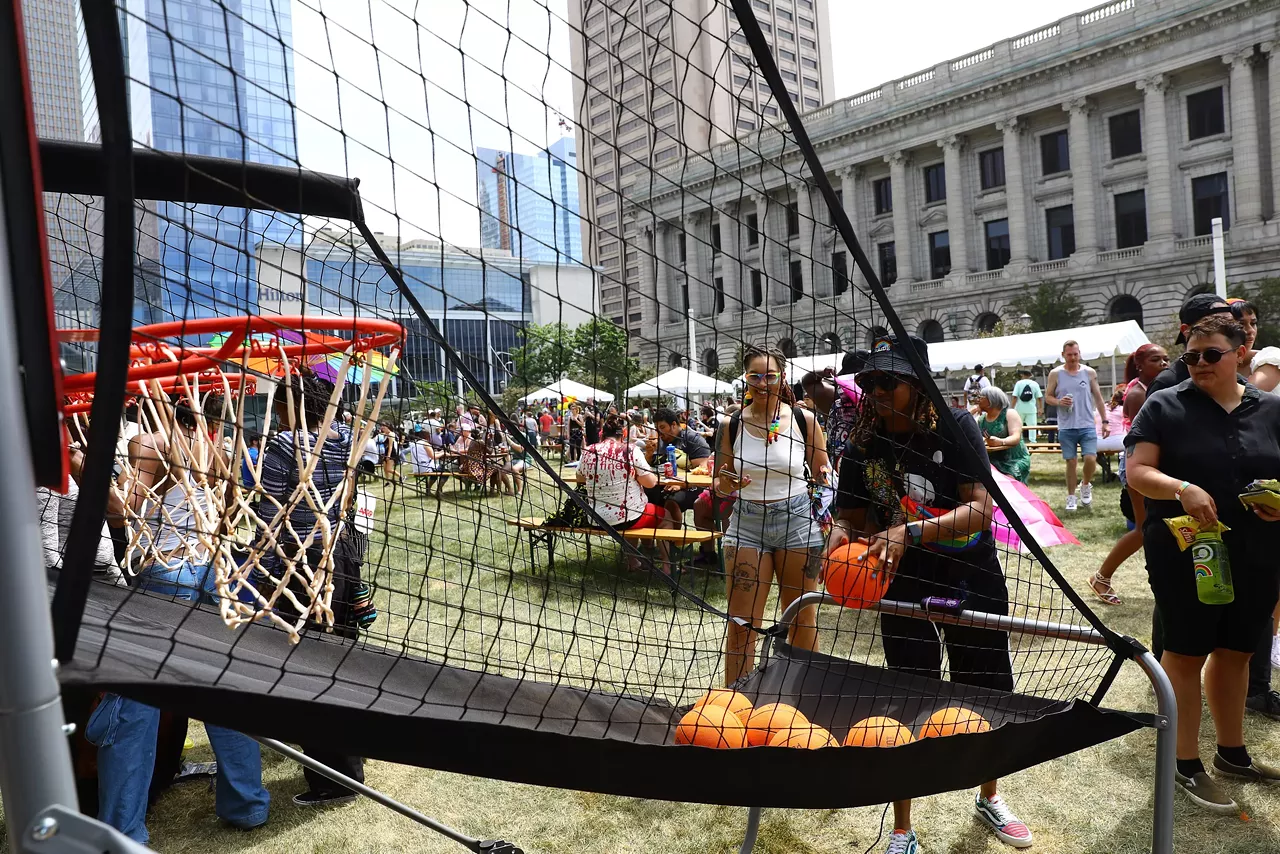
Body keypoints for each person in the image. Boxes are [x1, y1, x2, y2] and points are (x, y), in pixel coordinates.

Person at [829, 334, 1031, 852]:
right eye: (869, 381)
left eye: (888, 381)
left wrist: (910, 531)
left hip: (969, 575)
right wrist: (839, 538)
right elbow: (849, 515)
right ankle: (902, 829)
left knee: (982, 691)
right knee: (906, 698)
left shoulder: (957, 425)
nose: (876, 391)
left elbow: (980, 509)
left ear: (917, 384)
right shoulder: (863, 441)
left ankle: (989, 796)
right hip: (901, 581)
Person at [87, 394, 270, 842]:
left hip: (166, 573)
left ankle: (124, 831)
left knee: (135, 701)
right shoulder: (217, 446)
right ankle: (247, 804)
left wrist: (85, 467)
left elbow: (121, 508)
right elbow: (229, 511)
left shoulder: (150, 442)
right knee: (221, 689)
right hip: (212, 571)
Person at [1126, 313, 1280, 813]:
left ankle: (1232, 754)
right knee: (1186, 652)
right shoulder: (1164, 405)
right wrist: (1181, 489)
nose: (1199, 363)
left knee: (1237, 652)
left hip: (1258, 550)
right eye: (1190, 356)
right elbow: (1137, 471)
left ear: (1241, 353)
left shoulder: (1272, 409)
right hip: (1184, 551)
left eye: (1211, 354)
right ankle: (1184, 762)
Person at [257, 371, 368, 805]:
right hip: (340, 557)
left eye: (280, 405)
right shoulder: (345, 440)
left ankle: (334, 781)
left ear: (291, 406)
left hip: (299, 565)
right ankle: (350, 760)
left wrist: (262, 574)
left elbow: (270, 515)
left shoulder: (284, 446)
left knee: (308, 670)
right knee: (340, 661)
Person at [714, 346, 829, 686]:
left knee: (802, 621)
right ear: (746, 378)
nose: (763, 383)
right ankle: (736, 701)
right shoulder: (731, 424)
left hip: (797, 523)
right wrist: (729, 482)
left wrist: (824, 485)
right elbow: (719, 483)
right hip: (747, 524)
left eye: (770, 376)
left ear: (782, 377)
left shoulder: (804, 420)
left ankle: (806, 698)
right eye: (755, 376)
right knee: (742, 623)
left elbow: (824, 473)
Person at [1089, 343, 1169, 606]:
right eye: (1156, 360)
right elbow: (1144, 436)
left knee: (1155, 527)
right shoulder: (1137, 394)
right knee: (1144, 528)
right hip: (1137, 463)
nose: (1164, 364)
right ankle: (1101, 577)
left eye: (1166, 359)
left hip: (1150, 464)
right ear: (1140, 365)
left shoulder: (1153, 388)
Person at [578, 413, 674, 571]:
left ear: (602, 435)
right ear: (623, 435)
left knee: (632, 511)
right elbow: (650, 483)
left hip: (595, 519)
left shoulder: (588, 451)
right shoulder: (630, 450)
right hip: (627, 517)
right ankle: (667, 566)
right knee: (665, 517)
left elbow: (580, 477)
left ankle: (633, 561)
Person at [1045, 340, 1109, 511]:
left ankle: (1085, 484)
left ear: (1080, 353)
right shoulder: (1055, 374)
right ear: (1063, 355)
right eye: (1069, 355)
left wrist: (1105, 421)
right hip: (1066, 426)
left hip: (1087, 424)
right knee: (1071, 462)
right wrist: (1059, 401)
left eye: (1075, 354)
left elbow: (1098, 398)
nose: (1073, 358)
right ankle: (1071, 497)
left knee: (1090, 458)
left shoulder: (1089, 373)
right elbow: (1048, 397)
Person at [647, 407, 712, 523]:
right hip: (665, 484)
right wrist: (649, 454)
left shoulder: (692, 439)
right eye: (657, 429)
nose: (659, 432)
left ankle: (672, 534)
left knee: (672, 500)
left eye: (662, 427)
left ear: (673, 425)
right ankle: (653, 533)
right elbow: (650, 465)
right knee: (646, 495)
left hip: (692, 486)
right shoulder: (660, 442)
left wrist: (681, 485)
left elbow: (703, 469)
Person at [975, 386, 1030, 484]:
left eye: (981, 397)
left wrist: (1000, 441)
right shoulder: (981, 419)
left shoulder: (1010, 413)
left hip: (1013, 459)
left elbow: (1016, 437)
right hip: (992, 460)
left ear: (991, 400)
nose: (978, 400)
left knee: (1007, 482)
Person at [1010, 369, 1042, 443]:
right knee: (1032, 426)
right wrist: (1040, 408)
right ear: (1030, 375)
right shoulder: (1035, 384)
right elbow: (1039, 397)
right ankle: (1033, 442)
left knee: (1018, 426)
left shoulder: (1018, 383)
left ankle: (1018, 441)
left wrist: (1012, 408)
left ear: (1022, 375)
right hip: (1031, 409)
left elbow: (1014, 397)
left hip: (1019, 408)